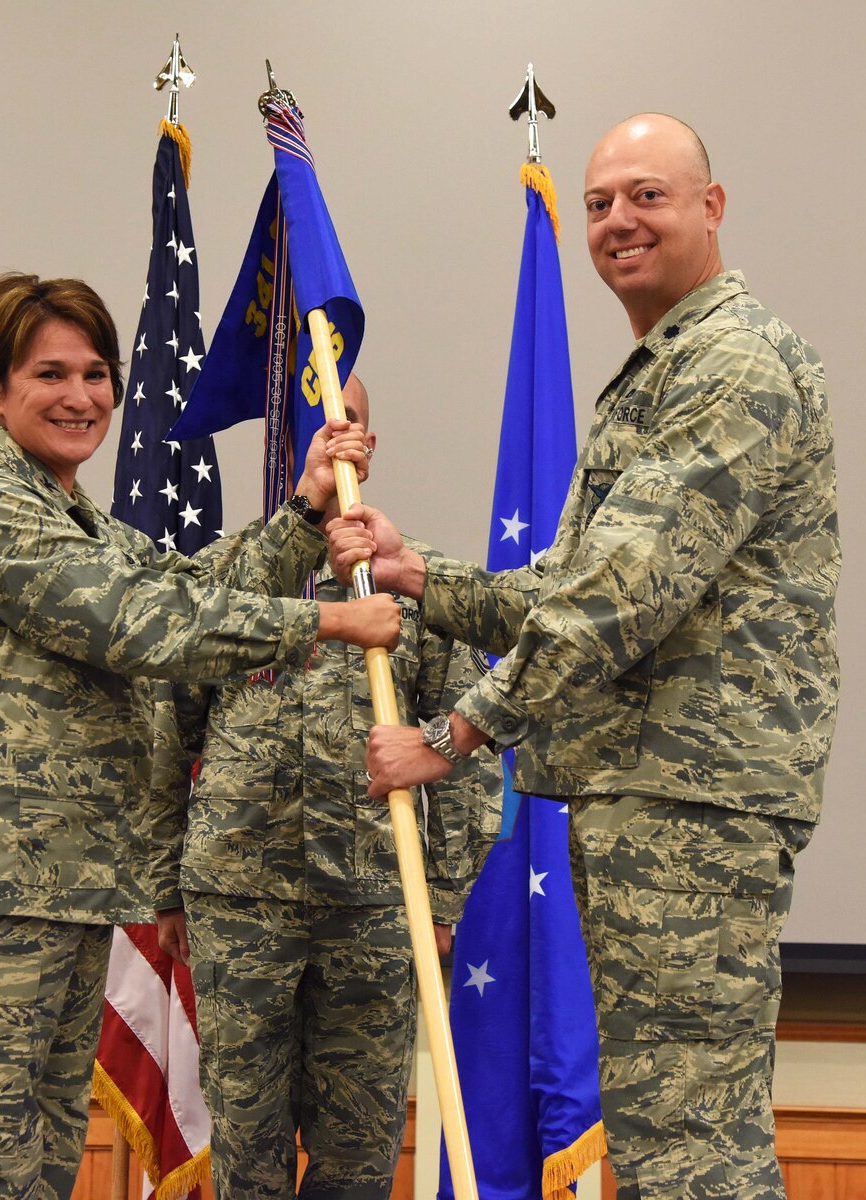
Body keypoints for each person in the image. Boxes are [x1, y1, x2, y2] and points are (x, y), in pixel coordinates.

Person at [328, 115, 839, 1199]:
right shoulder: (666, 366)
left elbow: (615, 598)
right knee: (670, 1138)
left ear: (711, 207)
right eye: (600, 203)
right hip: (650, 797)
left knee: (689, 1148)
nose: (614, 222)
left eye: (645, 196)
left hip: (687, 808)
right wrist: (417, 572)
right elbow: (570, 585)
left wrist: (450, 735)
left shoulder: (729, 366)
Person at [0, 272, 401, 1200]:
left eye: (96, 373)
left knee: (36, 1174)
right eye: (49, 374)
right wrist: (324, 624)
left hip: (64, 895)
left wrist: (312, 504)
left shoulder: (83, 523)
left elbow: (191, 585)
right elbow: (138, 622)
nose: (81, 397)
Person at [153, 375, 503, 1200]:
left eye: (344, 426)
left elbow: (471, 753)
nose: (329, 439)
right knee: (249, 1160)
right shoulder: (234, 571)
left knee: (357, 1164)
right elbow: (172, 721)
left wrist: (443, 899)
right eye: (311, 426)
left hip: (376, 909)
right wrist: (164, 887)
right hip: (241, 903)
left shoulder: (413, 586)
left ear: (368, 448)